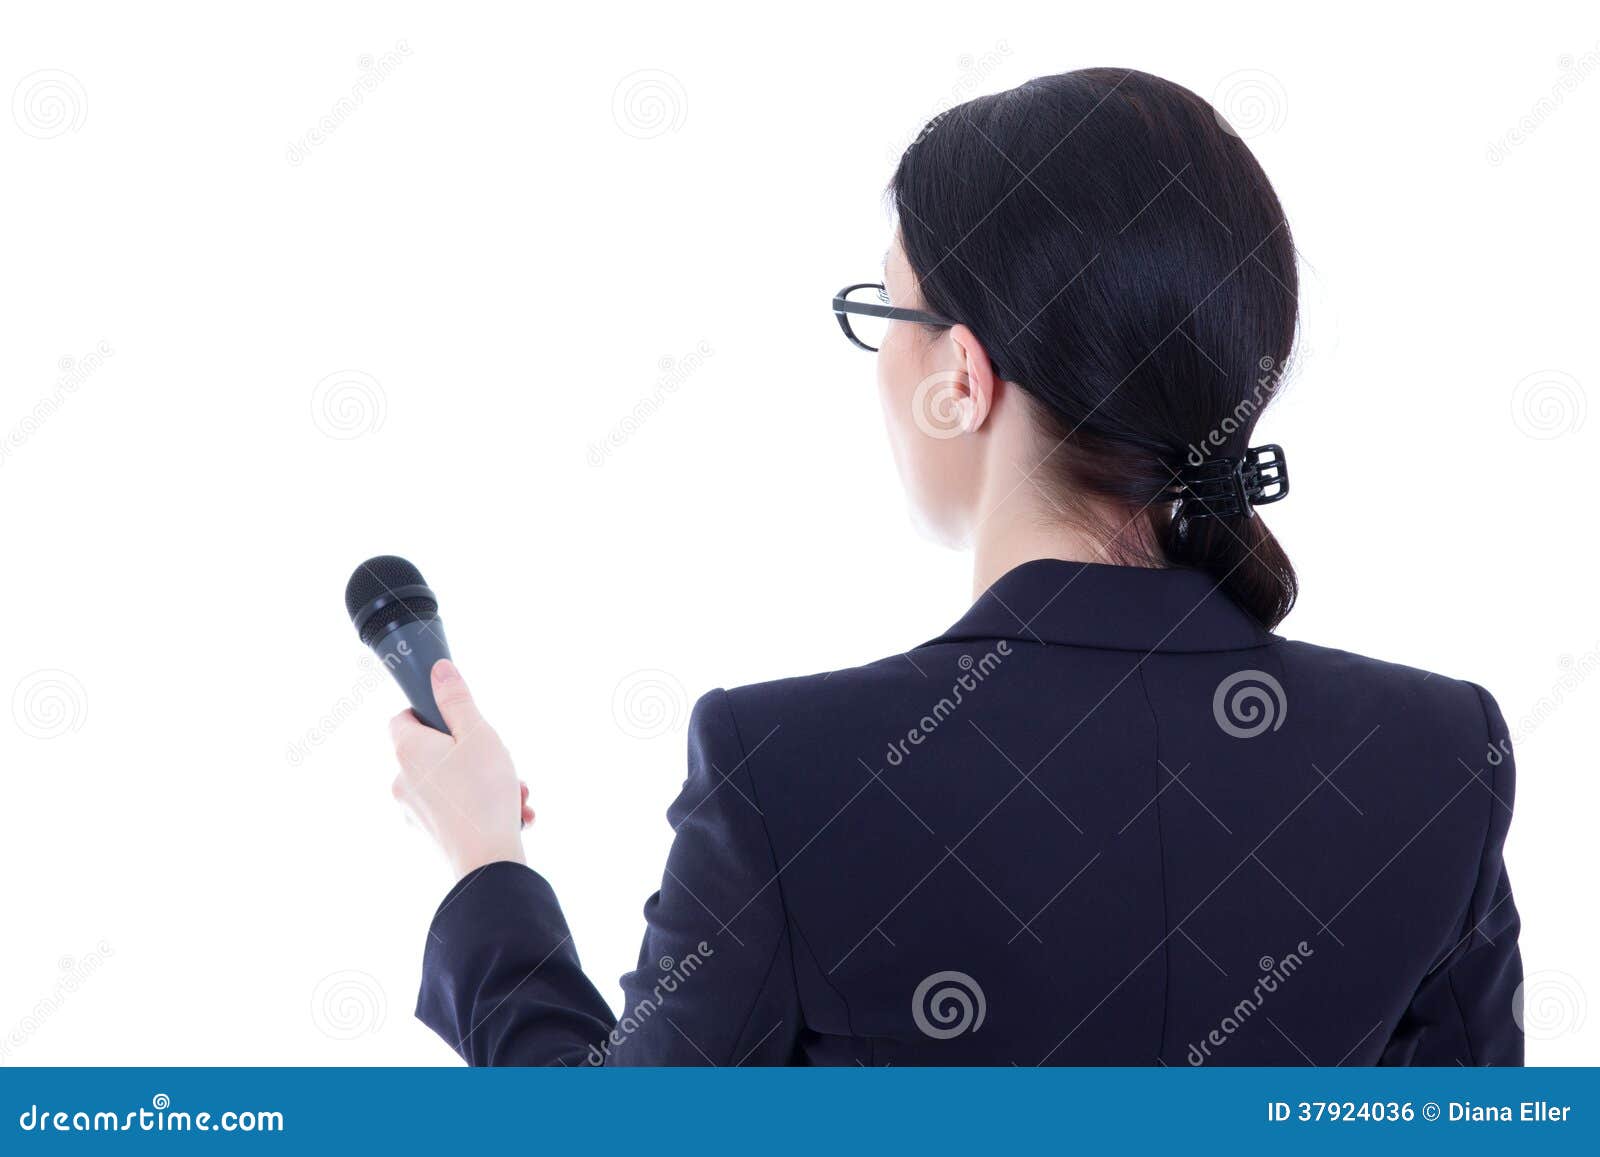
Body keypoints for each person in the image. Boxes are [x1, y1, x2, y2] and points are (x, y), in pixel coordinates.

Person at [387, 68, 1522, 1066]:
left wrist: (487, 861)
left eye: (888, 309)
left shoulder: (785, 772)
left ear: (965, 375)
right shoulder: (1438, 756)